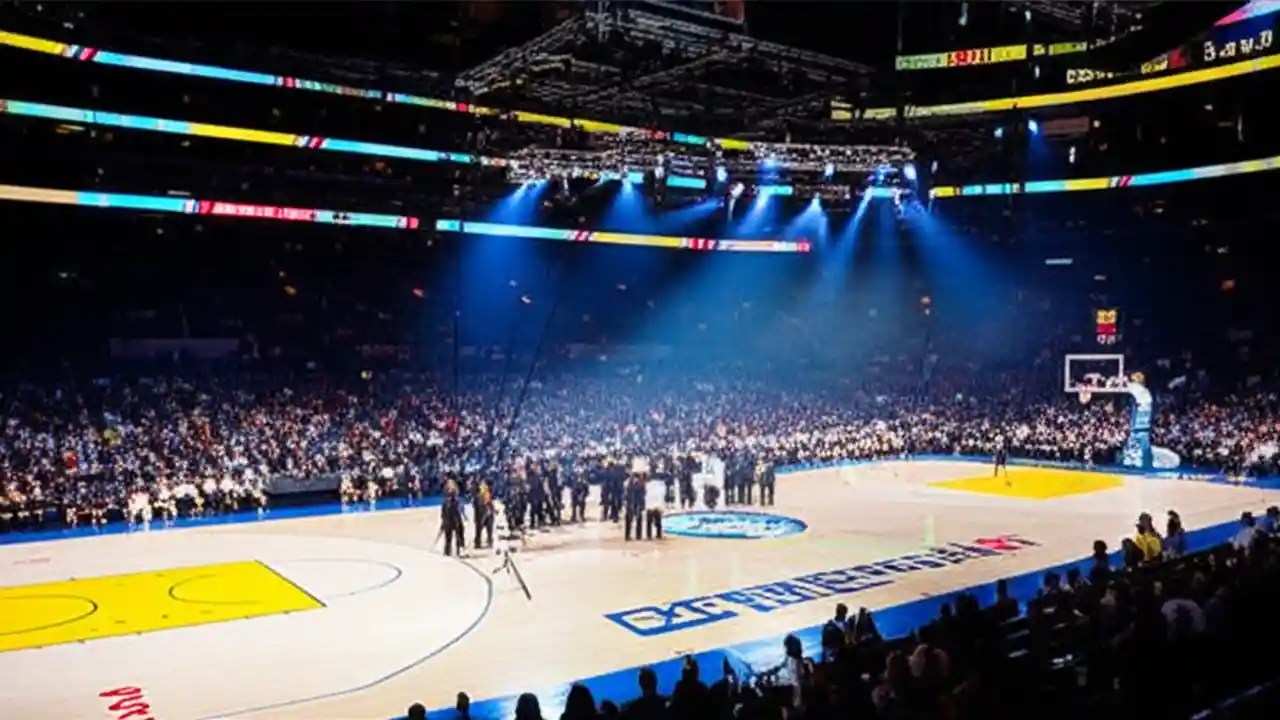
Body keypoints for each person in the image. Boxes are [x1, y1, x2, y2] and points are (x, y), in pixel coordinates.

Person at [440, 480, 466, 557]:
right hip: (453, 520)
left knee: (454, 537)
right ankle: (455, 551)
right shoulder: (451, 502)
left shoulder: (448, 502)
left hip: (452, 520)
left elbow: (444, 513)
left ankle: (451, 551)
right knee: (455, 537)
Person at [644, 473, 666, 540]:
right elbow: (662, 495)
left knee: (649, 522)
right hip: (656, 506)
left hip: (650, 506)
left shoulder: (648, 486)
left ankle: (649, 536)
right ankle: (658, 535)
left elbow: (646, 496)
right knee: (658, 522)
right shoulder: (659, 485)